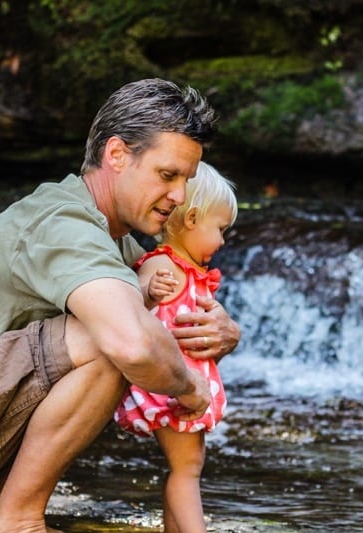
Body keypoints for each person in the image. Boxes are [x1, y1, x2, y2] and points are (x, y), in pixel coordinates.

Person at [0, 78, 242, 533]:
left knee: (125, 323)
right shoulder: (63, 225)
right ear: (116, 155)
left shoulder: (111, 242)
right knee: (112, 338)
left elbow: (168, 313)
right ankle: (17, 522)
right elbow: (134, 345)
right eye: (167, 175)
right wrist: (190, 389)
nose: (179, 196)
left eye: (186, 181)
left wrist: (226, 331)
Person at [115, 161, 237, 533]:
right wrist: (148, 292)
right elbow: (125, 307)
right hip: (173, 389)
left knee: (186, 466)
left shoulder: (188, 270)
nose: (222, 241)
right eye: (220, 230)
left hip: (186, 387)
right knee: (187, 469)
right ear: (192, 219)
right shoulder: (162, 265)